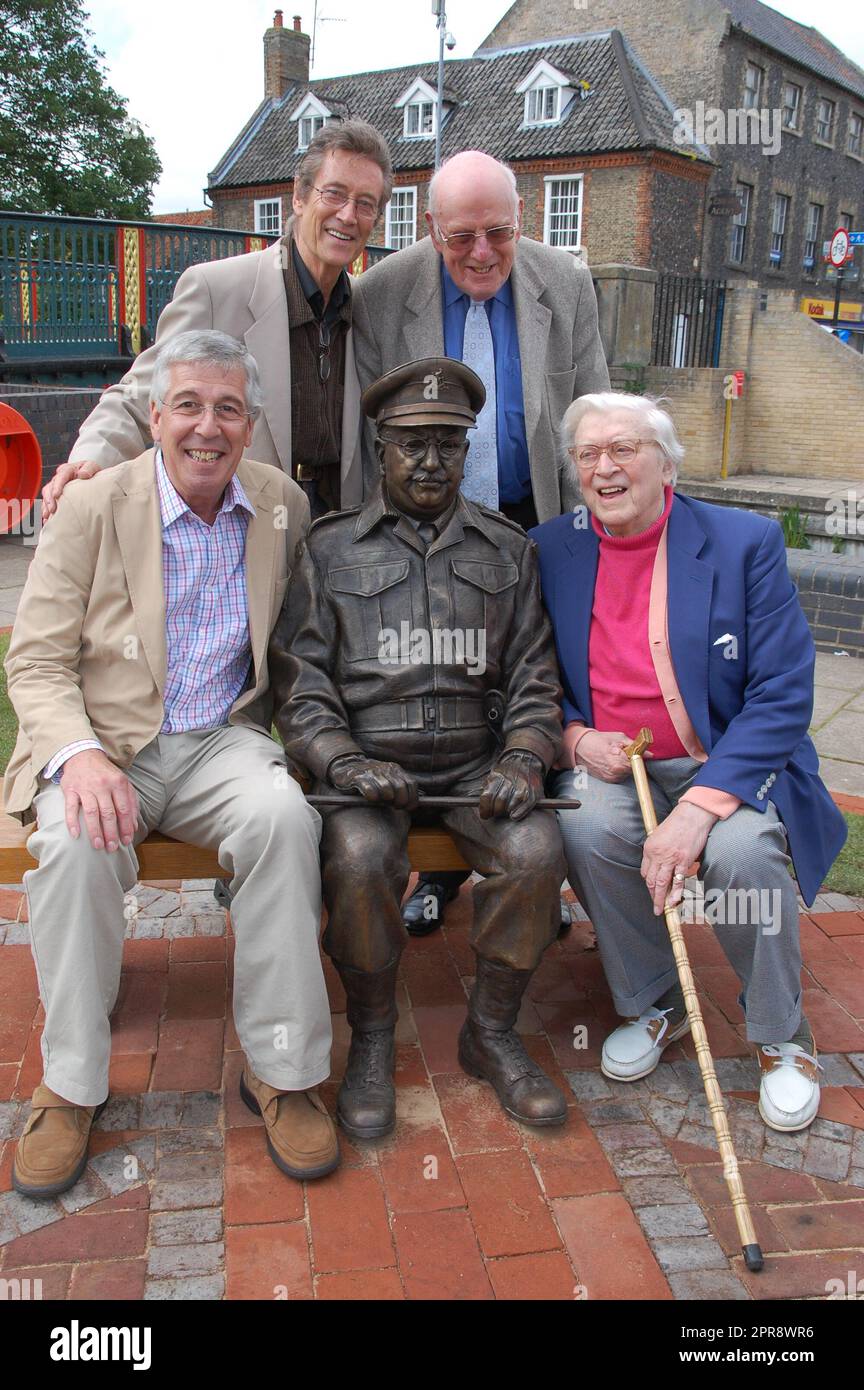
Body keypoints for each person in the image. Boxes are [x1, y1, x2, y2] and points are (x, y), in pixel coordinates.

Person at [4, 330, 338, 1197]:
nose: (207, 425)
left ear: (252, 422)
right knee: (76, 847)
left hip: (222, 738)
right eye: (187, 404)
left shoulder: (278, 505)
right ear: (154, 415)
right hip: (107, 742)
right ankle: (70, 1085)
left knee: (283, 820)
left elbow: (302, 645)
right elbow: (34, 660)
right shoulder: (90, 505)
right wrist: (76, 757)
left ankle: (283, 1069)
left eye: (228, 407)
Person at [530, 391, 847, 1134]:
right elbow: (526, 676)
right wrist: (574, 739)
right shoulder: (551, 548)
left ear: (665, 464)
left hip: (725, 761)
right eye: (588, 455)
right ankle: (654, 1004)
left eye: (624, 449)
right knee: (588, 827)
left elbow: (780, 693)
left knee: (741, 856)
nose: (605, 468)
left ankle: (780, 1037)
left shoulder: (744, 542)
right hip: (613, 761)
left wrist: (699, 811)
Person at [269, 357, 569, 1140]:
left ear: (469, 450)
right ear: (380, 448)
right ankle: (372, 1038)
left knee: (537, 852)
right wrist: (341, 761)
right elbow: (300, 683)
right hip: (367, 770)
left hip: (478, 767)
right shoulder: (328, 549)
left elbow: (538, 673)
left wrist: (525, 757)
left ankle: (491, 1034)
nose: (431, 462)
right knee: (362, 862)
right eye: (413, 445)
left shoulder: (510, 550)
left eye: (448, 443)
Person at [352, 149, 610, 933]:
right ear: (430, 229)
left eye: (497, 232)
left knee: (530, 692)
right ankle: (436, 869)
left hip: (532, 529)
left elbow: (592, 406)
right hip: (417, 539)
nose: (481, 252)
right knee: (437, 696)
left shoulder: (562, 284)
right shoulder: (382, 291)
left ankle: (532, 871)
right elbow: (366, 438)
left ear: (521, 221)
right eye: (461, 235)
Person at [42, 120, 393, 522]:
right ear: (298, 196)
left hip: (339, 531)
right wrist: (90, 461)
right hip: (245, 528)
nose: (348, 215)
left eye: (366, 203)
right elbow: (142, 395)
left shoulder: (365, 304)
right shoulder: (215, 288)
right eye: (334, 193)